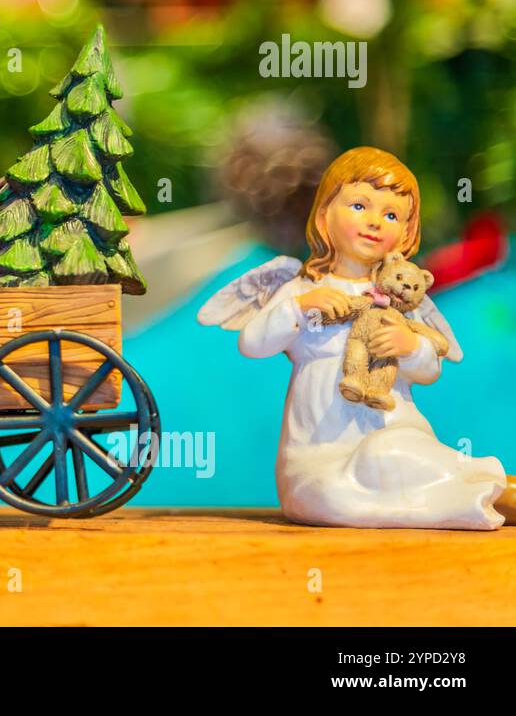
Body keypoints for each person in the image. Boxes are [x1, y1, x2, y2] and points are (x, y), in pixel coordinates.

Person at [200, 146, 516, 529]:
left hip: (394, 433)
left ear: (406, 232)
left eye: (391, 215)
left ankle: (475, 494)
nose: (374, 222)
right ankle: (480, 496)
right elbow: (252, 343)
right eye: (359, 206)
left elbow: (430, 367)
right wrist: (299, 308)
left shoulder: (399, 295)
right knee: (326, 497)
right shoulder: (303, 287)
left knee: (389, 451)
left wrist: (410, 345)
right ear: (324, 214)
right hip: (318, 455)